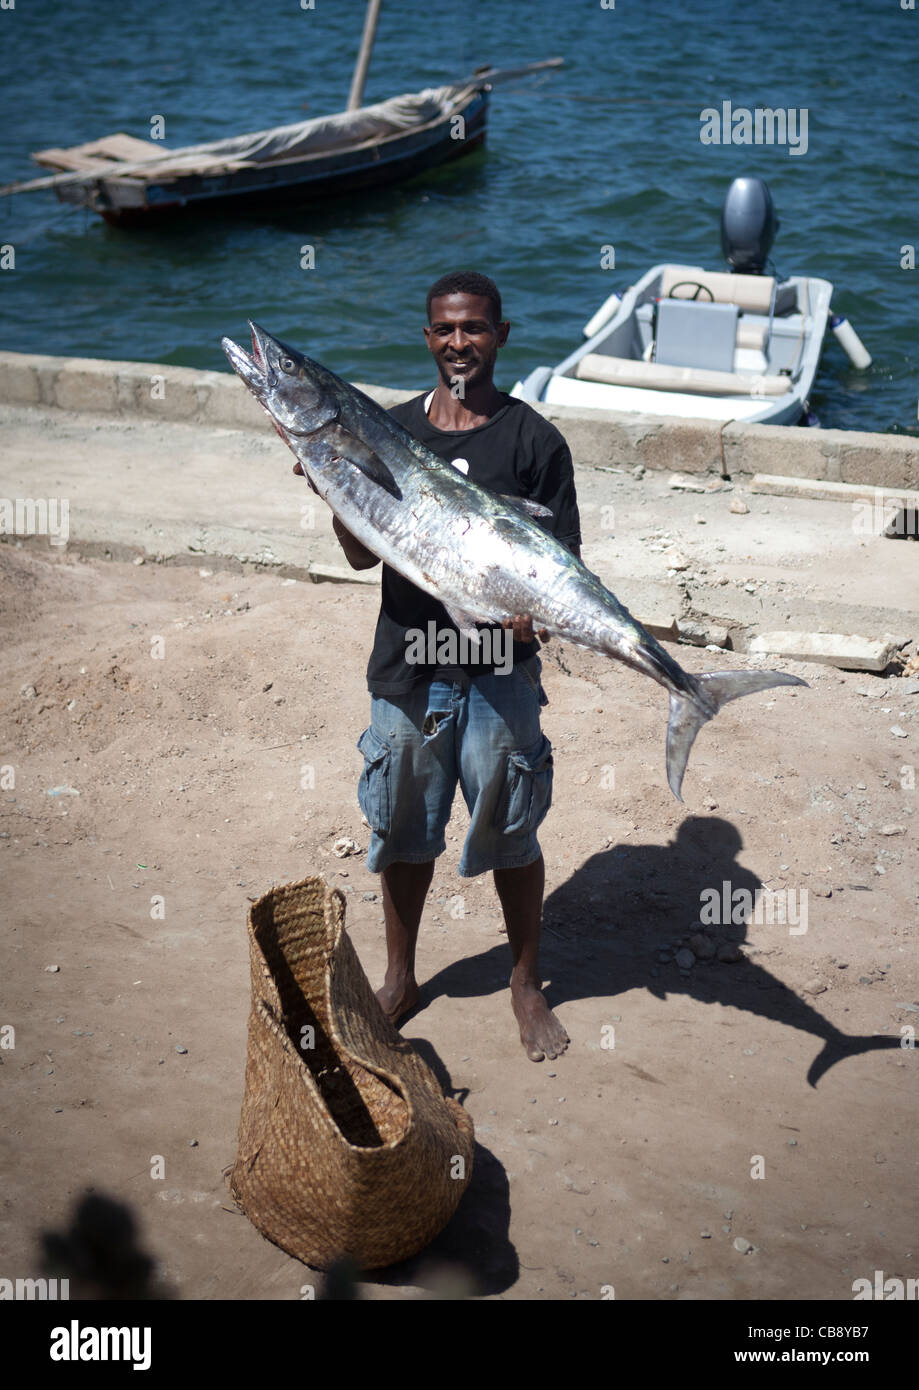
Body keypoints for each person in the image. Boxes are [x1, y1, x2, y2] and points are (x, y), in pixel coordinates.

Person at [322, 270, 581, 1061]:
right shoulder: (388, 432)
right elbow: (361, 555)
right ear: (426, 337)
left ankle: (525, 980)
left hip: (498, 673)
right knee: (402, 826)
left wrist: (528, 624)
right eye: (443, 329)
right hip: (408, 666)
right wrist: (335, 486)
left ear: (501, 334)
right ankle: (400, 978)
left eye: (472, 328)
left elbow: (560, 567)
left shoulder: (534, 442)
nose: (458, 343)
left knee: (510, 827)